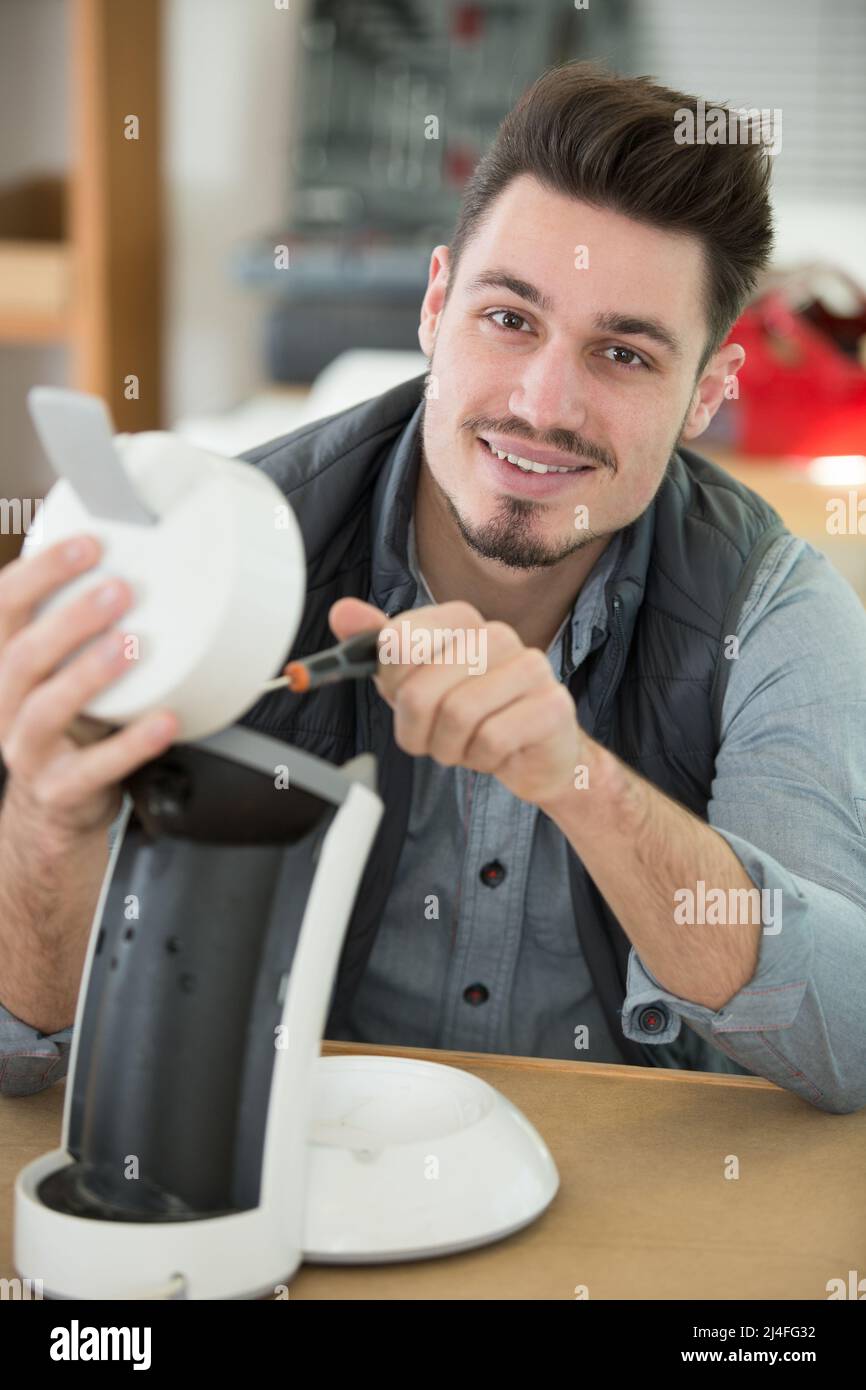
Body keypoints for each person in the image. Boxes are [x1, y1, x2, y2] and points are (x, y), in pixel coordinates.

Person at [1, 62, 864, 1110]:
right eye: (508, 320)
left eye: (624, 354)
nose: (543, 405)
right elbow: (25, 1060)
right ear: (435, 304)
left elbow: (847, 1040)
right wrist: (47, 829)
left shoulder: (771, 609)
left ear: (705, 394)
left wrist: (579, 782)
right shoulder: (218, 558)